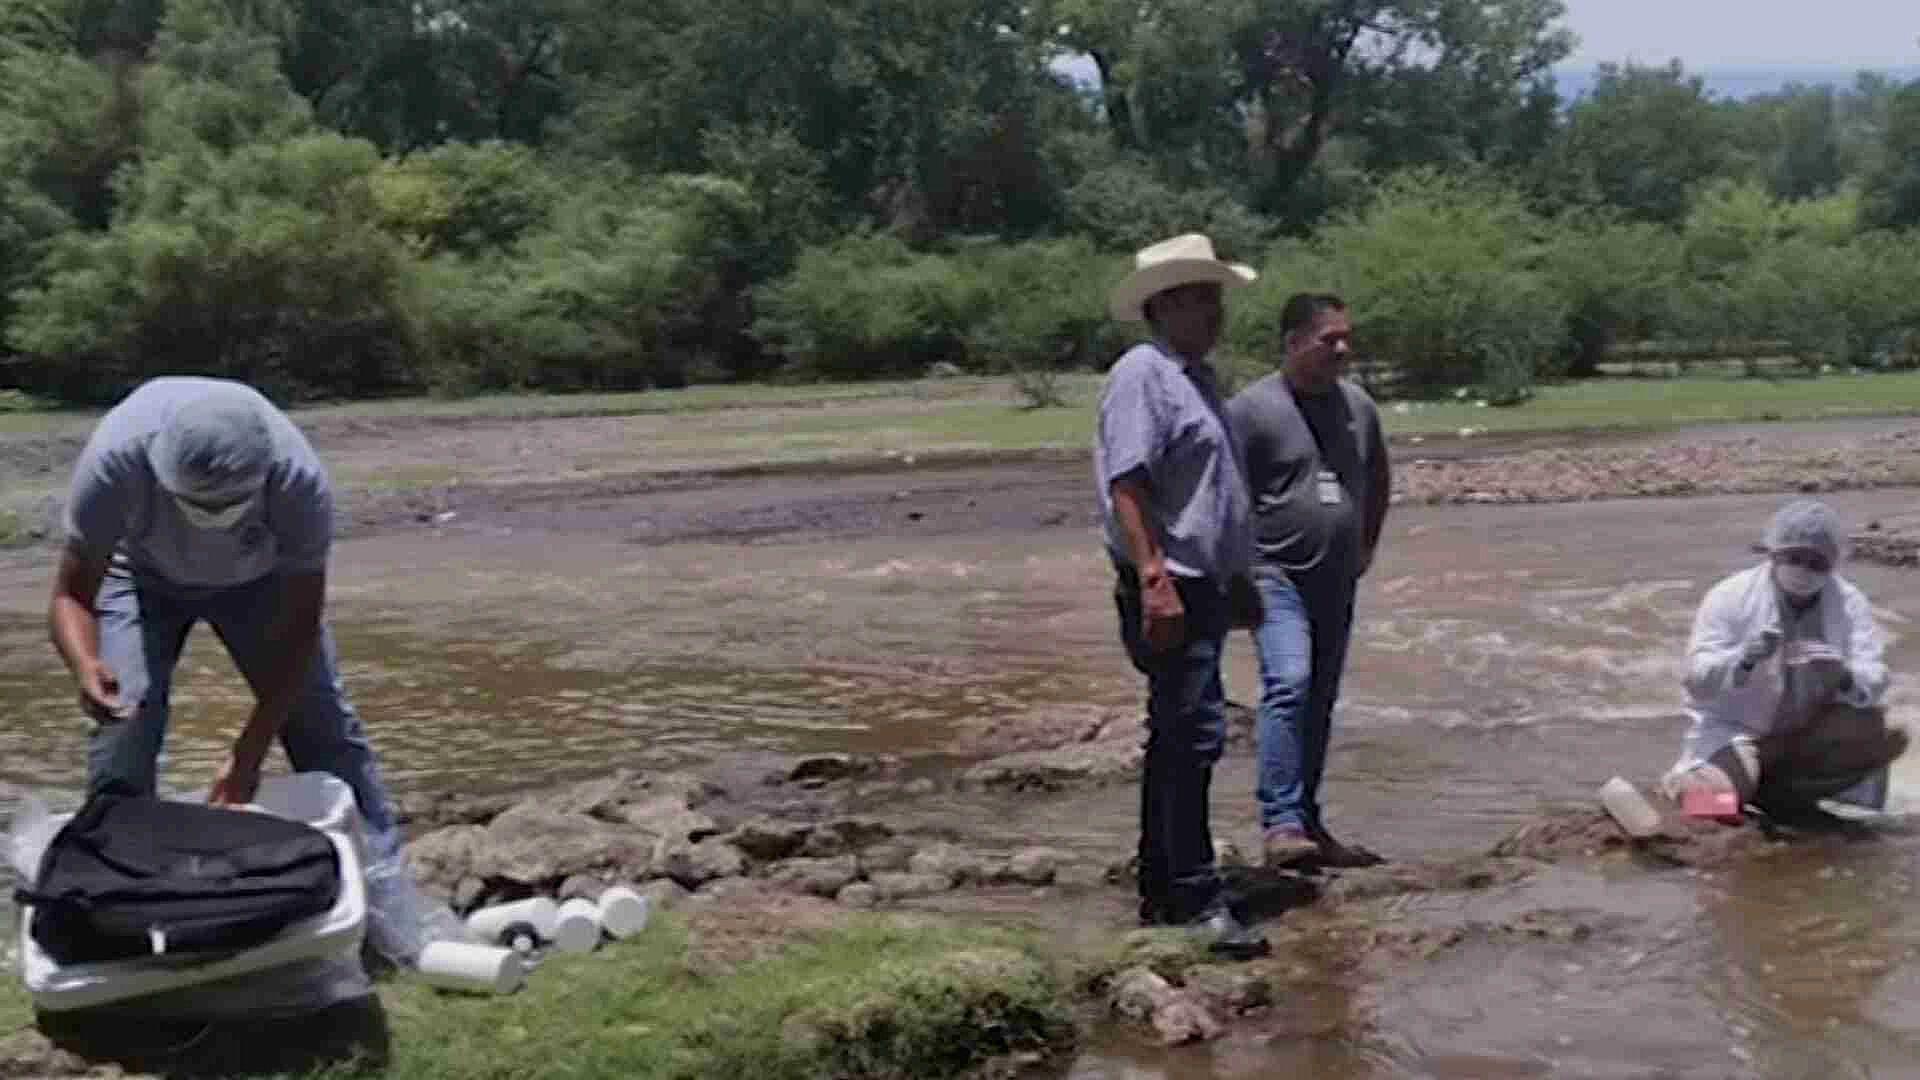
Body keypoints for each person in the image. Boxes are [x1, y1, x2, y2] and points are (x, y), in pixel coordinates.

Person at [48, 376, 402, 860]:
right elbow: (71, 594)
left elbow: (300, 628)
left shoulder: (297, 479)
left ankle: (378, 872)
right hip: (140, 575)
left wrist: (249, 752)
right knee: (126, 716)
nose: (210, 515)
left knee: (319, 719)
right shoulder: (116, 460)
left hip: (260, 581)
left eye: (225, 505)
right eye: (196, 503)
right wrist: (85, 663)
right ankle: (118, 864)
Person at [1096, 233, 1267, 956]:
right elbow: (1128, 483)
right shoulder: (1144, 374)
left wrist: (1240, 577)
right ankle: (1194, 897)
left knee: (1178, 734)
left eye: (1215, 297)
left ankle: (1164, 886)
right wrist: (1154, 578)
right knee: (1191, 734)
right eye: (1200, 298)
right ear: (1163, 306)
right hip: (1171, 580)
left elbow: (1211, 493)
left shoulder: (1197, 377)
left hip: (1204, 580)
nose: (1214, 312)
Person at [1227, 293, 1391, 869]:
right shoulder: (1251, 410)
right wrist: (1236, 573)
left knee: (1320, 697)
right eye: (1329, 339)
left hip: (1336, 578)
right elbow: (1226, 496)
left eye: (1347, 337)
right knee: (1290, 682)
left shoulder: (1358, 408)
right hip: (1273, 574)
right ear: (1293, 342)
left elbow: (1378, 478)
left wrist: (1367, 543)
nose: (1342, 349)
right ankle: (1280, 823)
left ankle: (1309, 825)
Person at [1662, 499, 1908, 820]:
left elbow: (1874, 676)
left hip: (1805, 733)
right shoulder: (1730, 596)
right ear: (1774, 554)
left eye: (1816, 563)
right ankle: (1688, 788)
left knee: (1886, 732)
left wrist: (1844, 675)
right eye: (1794, 558)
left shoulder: (1849, 603)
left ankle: (1779, 794)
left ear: (1833, 564)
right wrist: (1742, 660)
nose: (1804, 570)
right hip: (1739, 734)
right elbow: (1696, 681)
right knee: (1709, 805)